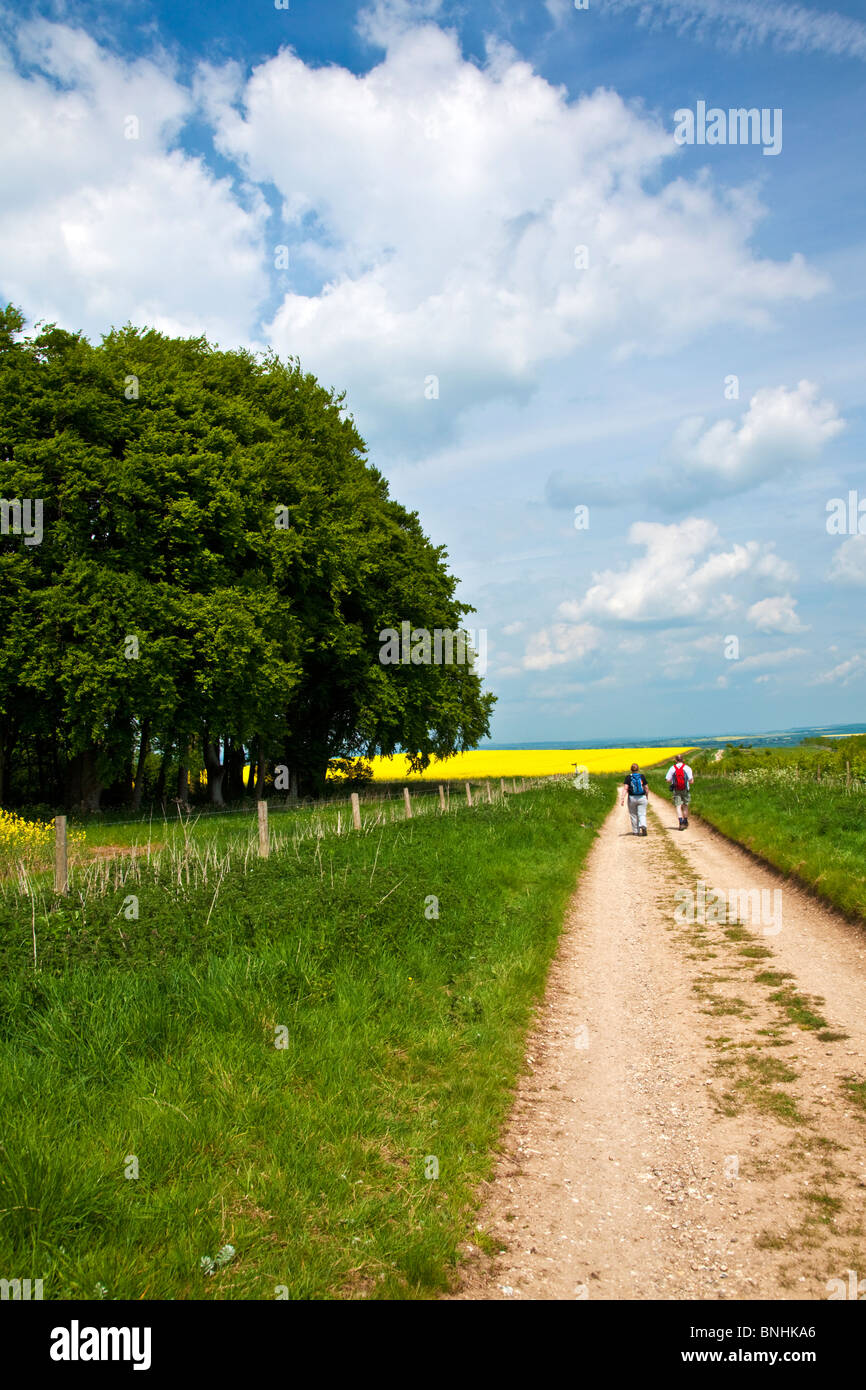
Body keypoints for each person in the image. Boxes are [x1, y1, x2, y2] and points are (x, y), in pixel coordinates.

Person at [665, 753, 694, 829]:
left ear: (676, 760)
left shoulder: (672, 768)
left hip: (676, 789)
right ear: (683, 760)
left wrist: (673, 780)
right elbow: (691, 781)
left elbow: (667, 779)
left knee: (678, 806)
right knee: (685, 805)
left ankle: (680, 822)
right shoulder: (687, 768)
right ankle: (685, 821)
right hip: (685, 789)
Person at [620, 762, 648, 835]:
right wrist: (646, 796)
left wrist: (622, 798)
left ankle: (636, 831)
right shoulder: (642, 776)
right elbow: (646, 788)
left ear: (631, 769)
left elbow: (625, 788)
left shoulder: (628, 777)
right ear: (638, 769)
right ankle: (643, 825)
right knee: (642, 813)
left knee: (633, 814)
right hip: (642, 797)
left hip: (632, 798)